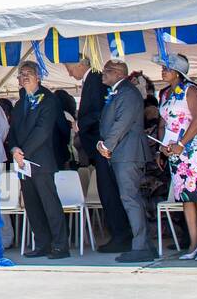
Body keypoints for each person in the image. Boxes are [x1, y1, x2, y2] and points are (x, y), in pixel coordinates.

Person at [66, 59, 129, 251]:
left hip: (103, 145)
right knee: (106, 192)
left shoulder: (94, 79)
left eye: (69, 68)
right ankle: (119, 235)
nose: (69, 74)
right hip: (100, 146)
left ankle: (120, 236)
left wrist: (81, 124)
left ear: (79, 63)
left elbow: (99, 112)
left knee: (109, 192)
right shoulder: (91, 80)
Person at [8, 61, 69, 258]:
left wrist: (23, 151)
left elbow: (43, 131)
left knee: (50, 205)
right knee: (32, 206)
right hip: (22, 163)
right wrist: (14, 148)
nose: (24, 77)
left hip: (40, 161)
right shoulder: (19, 103)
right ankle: (42, 243)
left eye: (28, 73)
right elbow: (13, 130)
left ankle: (60, 245)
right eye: (21, 74)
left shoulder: (48, 100)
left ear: (38, 77)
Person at [155, 52, 197, 260]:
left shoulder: (190, 90)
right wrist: (162, 146)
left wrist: (181, 143)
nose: (163, 71)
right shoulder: (164, 94)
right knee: (185, 196)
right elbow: (162, 123)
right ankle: (193, 242)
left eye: (167, 68)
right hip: (173, 149)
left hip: (194, 147)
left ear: (178, 72)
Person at [95, 60, 154, 262]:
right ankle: (144, 244)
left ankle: (140, 247)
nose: (103, 74)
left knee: (130, 199)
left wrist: (106, 145)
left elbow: (123, 122)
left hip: (128, 153)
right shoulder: (118, 92)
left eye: (107, 71)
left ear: (119, 73)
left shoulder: (127, 92)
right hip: (122, 153)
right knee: (130, 198)